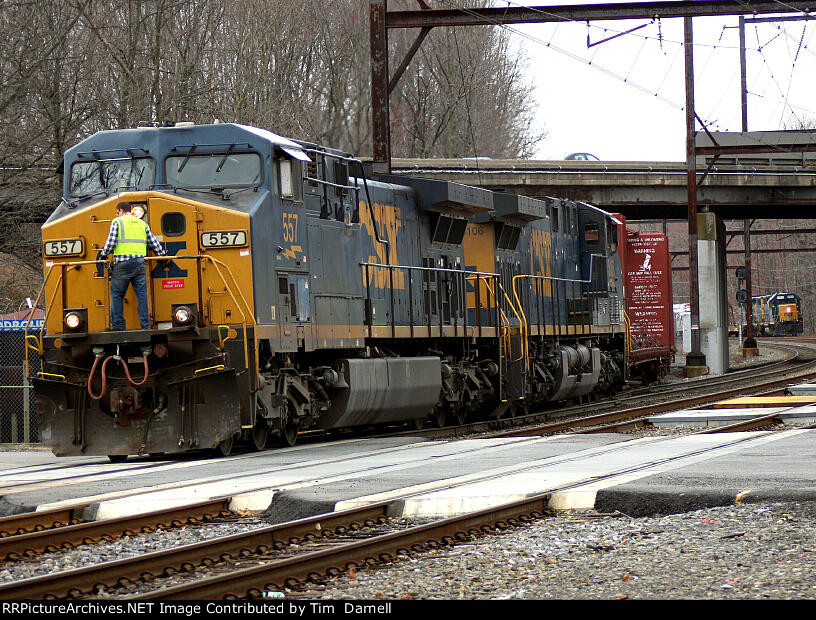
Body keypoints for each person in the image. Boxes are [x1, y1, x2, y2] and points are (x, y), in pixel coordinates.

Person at [99, 201, 166, 330]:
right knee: (142, 295)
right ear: (131, 210)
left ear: (120, 211)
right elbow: (154, 243)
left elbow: (111, 242)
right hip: (140, 264)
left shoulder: (117, 222)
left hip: (122, 264)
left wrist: (104, 254)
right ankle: (146, 326)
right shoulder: (142, 224)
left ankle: (119, 327)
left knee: (117, 295)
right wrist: (162, 256)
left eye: (117, 212)